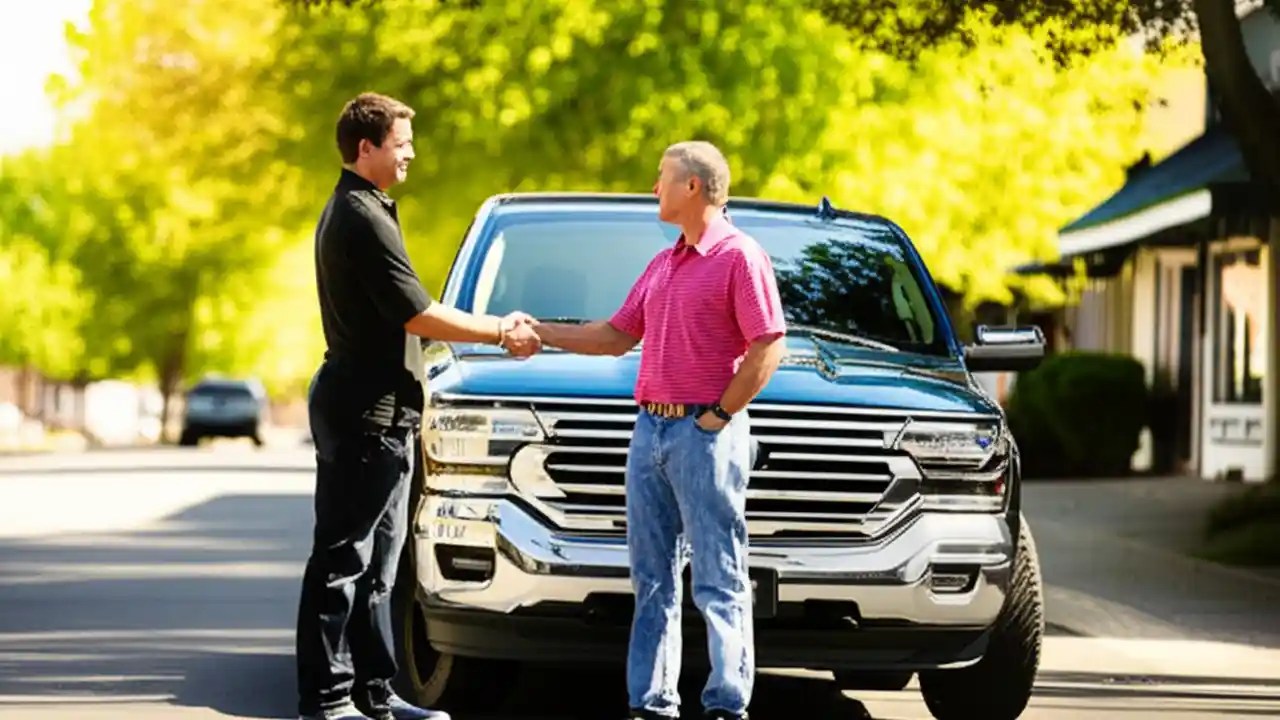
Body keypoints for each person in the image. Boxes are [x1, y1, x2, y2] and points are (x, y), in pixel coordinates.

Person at [296, 92, 540, 720]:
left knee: (381, 567)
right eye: (400, 143)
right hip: (364, 413)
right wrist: (497, 332)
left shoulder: (370, 207)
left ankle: (375, 696)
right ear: (365, 148)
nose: (411, 153)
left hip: (386, 412)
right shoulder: (358, 216)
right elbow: (418, 314)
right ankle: (326, 700)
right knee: (343, 561)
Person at [534, 141, 787, 720]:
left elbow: (769, 344)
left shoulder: (740, 257)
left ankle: (727, 703)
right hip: (649, 433)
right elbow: (615, 336)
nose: (655, 188)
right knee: (651, 577)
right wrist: (538, 331)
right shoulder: (664, 262)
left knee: (719, 574)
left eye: (662, 178)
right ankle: (650, 702)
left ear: (692, 186)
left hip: (704, 434)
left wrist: (718, 417)